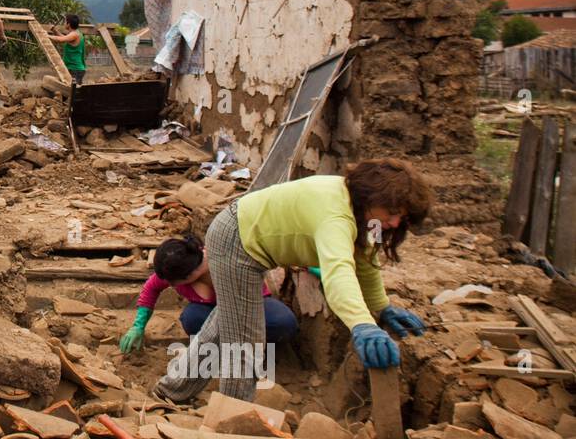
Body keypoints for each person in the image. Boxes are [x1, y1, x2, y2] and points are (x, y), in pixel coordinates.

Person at [152, 159, 432, 403]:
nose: (395, 223)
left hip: (244, 237)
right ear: (372, 197)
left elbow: (366, 264)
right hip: (236, 241)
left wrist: (381, 307)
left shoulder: (365, 216)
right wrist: (362, 324)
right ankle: (231, 416)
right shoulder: (336, 214)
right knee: (245, 341)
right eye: (392, 213)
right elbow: (338, 273)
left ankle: (171, 390)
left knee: (226, 323)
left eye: (401, 217)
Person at [119, 235, 298, 355]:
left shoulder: (226, 264)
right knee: (192, 319)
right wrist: (138, 325)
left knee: (283, 322)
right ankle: (220, 349)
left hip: (250, 307)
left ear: (189, 276)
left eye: (174, 283)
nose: (171, 286)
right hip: (210, 311)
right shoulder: (179, 267)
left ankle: (250, 351)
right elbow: (152, 287)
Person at [48, 13, 88, 85]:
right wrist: (55, 30)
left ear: (68, 24)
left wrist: (47, 35)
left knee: (73, 92)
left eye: (65, 22)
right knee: (70, 91)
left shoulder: (74, 34)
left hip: (75, 69)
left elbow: (61, 39)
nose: (64, 24)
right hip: (73, 68)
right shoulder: (75, 33)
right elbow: (63, 37)